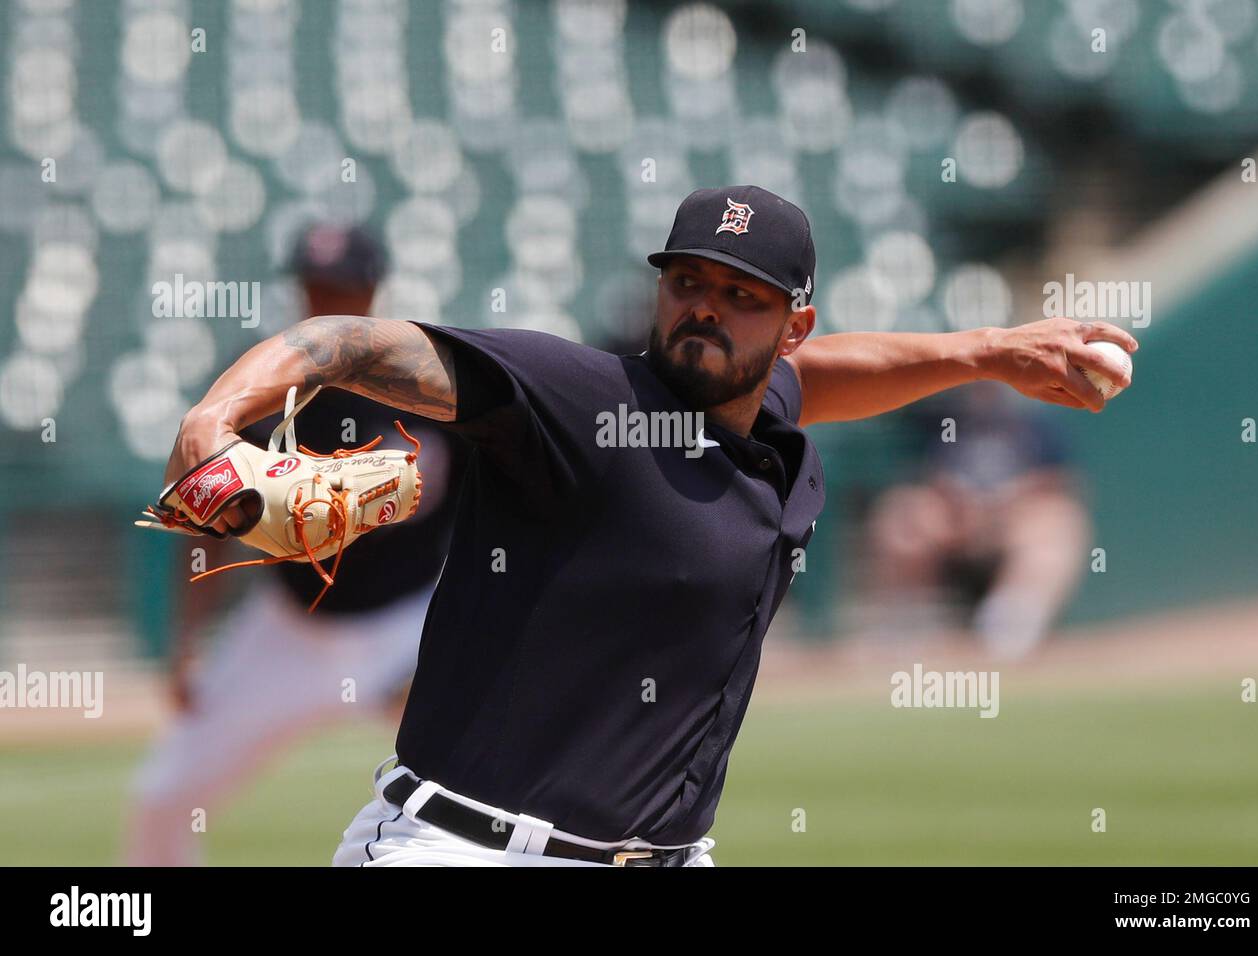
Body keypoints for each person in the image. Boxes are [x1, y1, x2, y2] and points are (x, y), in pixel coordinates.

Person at [158, 185, 1136, 867]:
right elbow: (349, 341)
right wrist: (217, 417)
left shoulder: (764, 413)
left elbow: (830, 371)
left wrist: (987, 350)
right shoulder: (576, 395)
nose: (703, 310)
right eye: (687, 283)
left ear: (789, 325)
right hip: (464, 847)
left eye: (740, 295)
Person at [124, 224, 465, 866]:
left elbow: (494, 515)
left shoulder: (431, 388)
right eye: (312, 284)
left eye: (338, 285)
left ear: (371, 290)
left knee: (488, 794)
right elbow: (201, 523)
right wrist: (186, 642)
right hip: (287, 630)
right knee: (165, 796)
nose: (323, 297)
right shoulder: (259, 390)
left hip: (406, 628)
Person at [864, 380, 1092, 659]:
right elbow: (924, 474)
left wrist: (1005, 506)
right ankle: (906, 625)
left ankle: (1011, 627)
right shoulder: (943, 415)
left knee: (1058, 520)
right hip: (956, 522)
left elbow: (1058, 482)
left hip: (1011, 525)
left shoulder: (1036, 420)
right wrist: (958, 504)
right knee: (904, 511)